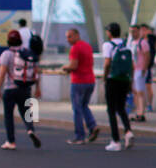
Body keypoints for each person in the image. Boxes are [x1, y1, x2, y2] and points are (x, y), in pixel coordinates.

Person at [0, 29, 41, 150]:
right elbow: (36, 72)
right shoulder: (27, 53)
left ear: (8, 41)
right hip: (25, 88)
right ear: (20, 40)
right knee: (27, 113)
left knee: (9, 116)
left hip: (10, 89)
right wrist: (38, 88)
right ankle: (30, 130)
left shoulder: (6, 54)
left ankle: (11, 141)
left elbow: (2, 73)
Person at [62, 27, 100, 145]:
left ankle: (79, 136)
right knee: (84, 105)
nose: (68, 39)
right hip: (90, 80)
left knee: (77, 109)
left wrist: (65, 68)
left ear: (77, 35)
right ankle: (92, 126)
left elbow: (74, 66)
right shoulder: (87, 46)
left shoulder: (75, 48)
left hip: (78, 81)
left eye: (70, 36)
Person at [102, 23, 136, 152]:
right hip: (125, 80)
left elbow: (107, 63)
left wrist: (105, 77)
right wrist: (130, 81)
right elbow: (132, 66)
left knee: (111, 110)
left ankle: (115, 141)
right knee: (121, 108)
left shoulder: (108, 45)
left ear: (110, 33)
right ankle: (128, 131)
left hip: (113, 79)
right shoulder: (127, 45)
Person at [127, 23, 151, 121]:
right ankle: (138, 111)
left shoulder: (143, 43)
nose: (133, 33)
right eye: (131, 31)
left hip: (140, 69)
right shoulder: (132, 43)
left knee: (140, 92)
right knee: (135, 92)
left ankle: (141, 112)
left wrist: (144, 68)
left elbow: (147, 56)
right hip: (134, 70)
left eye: (134, 31)